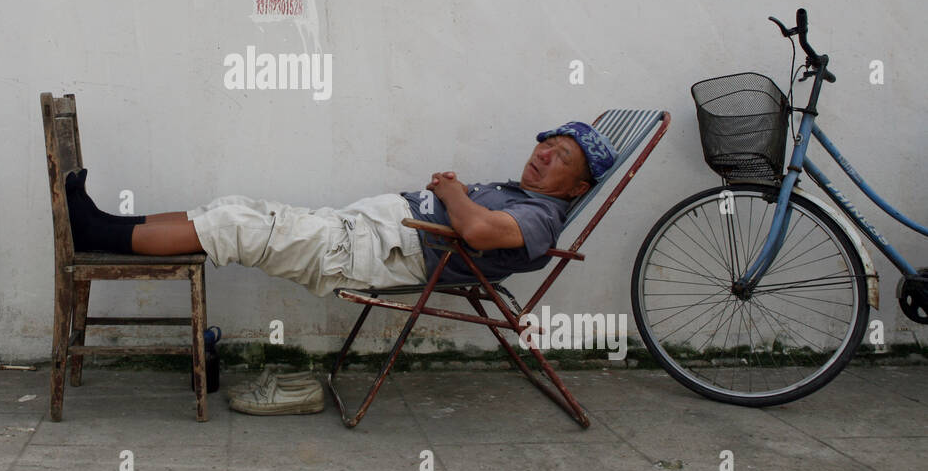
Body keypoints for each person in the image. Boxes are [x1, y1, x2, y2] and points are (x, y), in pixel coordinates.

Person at [64, 122, 617, 415]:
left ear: (579, 186)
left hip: (366, 254)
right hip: (363, 231)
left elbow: (478, 233)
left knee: (236, 226)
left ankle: (97, 233)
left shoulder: (542, 218)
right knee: (231, 207)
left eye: (561, 157)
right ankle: (110, 224)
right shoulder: (525, 192)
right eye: (547, 143)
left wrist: (451, 189)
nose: (544, 153)